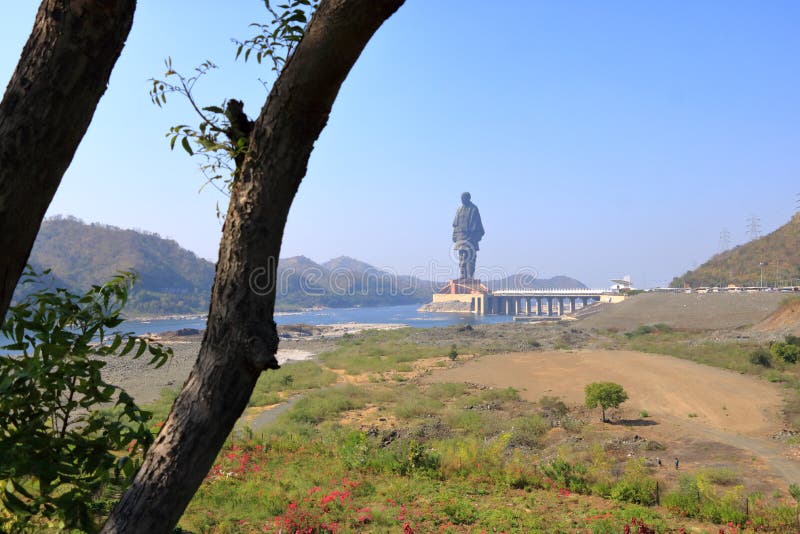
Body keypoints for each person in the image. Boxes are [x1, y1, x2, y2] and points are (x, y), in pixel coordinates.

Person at [452, 192, 484, 280]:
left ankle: (470, 275)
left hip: (471, 236)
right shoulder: (459, 209)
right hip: (461, 237)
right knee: (462, 256)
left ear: (468, 198)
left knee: (471, 256)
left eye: (464, 198)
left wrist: (476, 235)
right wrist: (454, 234)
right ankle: (463, 275)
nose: (462, 200)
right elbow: (455, 224)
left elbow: (478, 224)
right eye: (461, 198)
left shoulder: (474, 209)